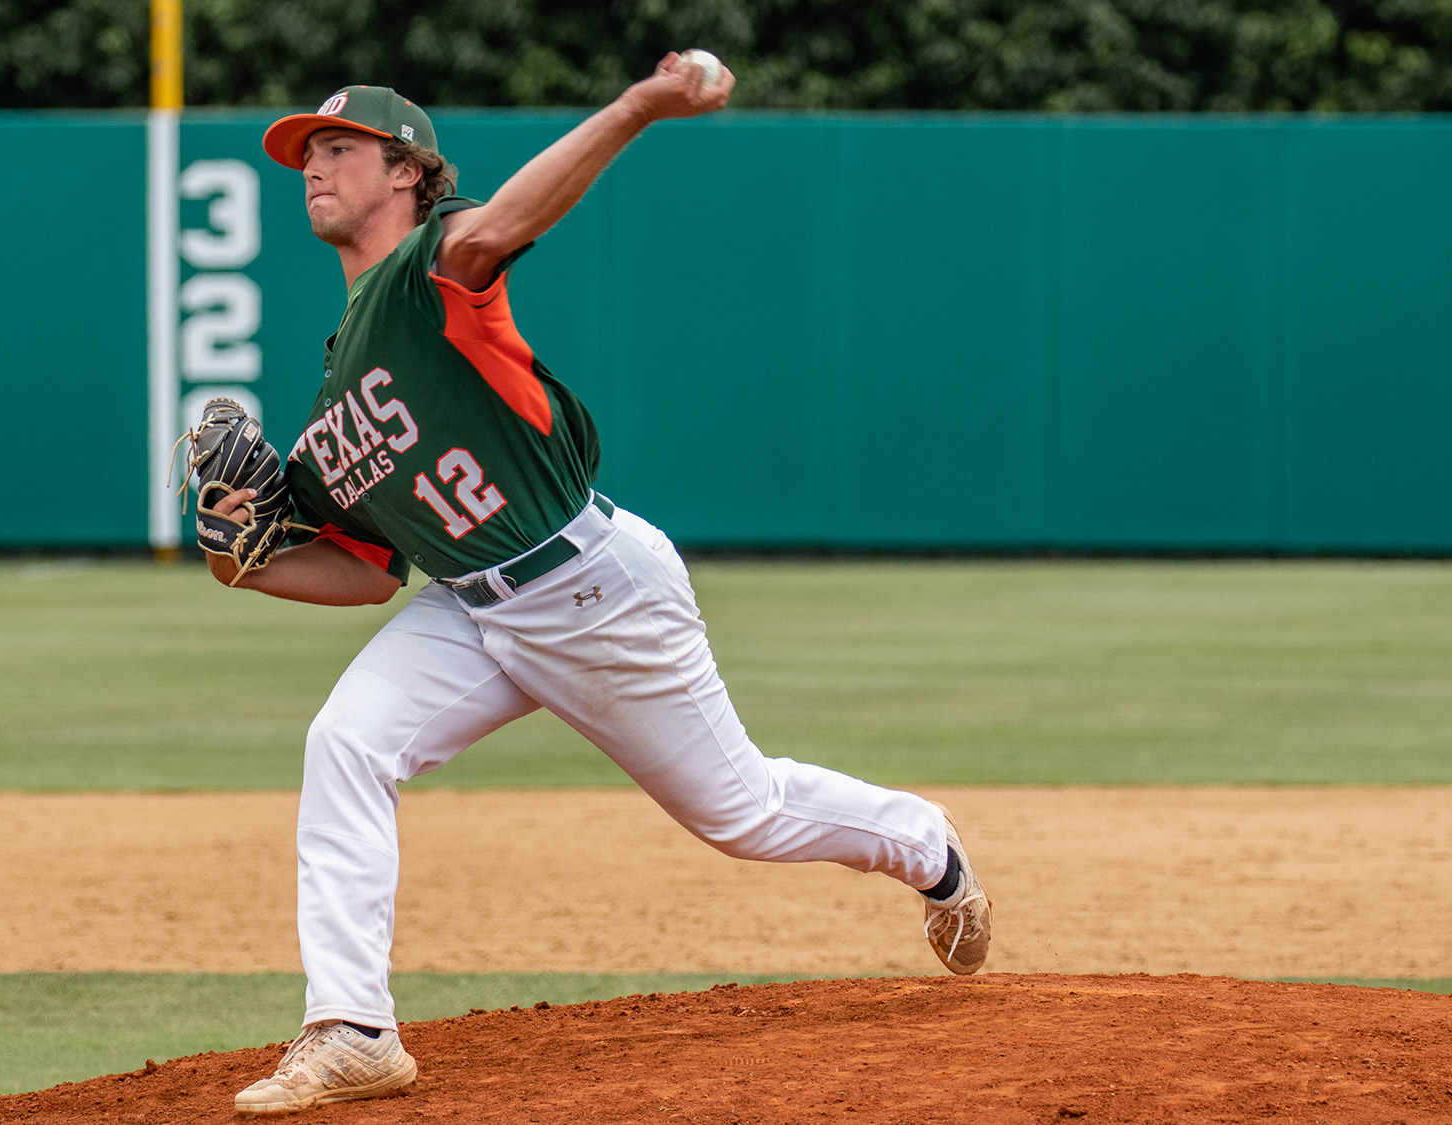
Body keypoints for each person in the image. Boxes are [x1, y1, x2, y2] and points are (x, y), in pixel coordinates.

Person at [198, 54, 993, 1118]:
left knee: (740, 813)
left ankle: (926, 846)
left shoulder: (434, 269)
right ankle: (353, 1030)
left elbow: (500, 228)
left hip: (589, 589)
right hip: (467, 608)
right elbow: (363, 572)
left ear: (408, 172)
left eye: (338, 148)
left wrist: (641, 106)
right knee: (346, 743)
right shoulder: (336, 386)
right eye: (307, 152)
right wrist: (240, 561)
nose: (312, 166)